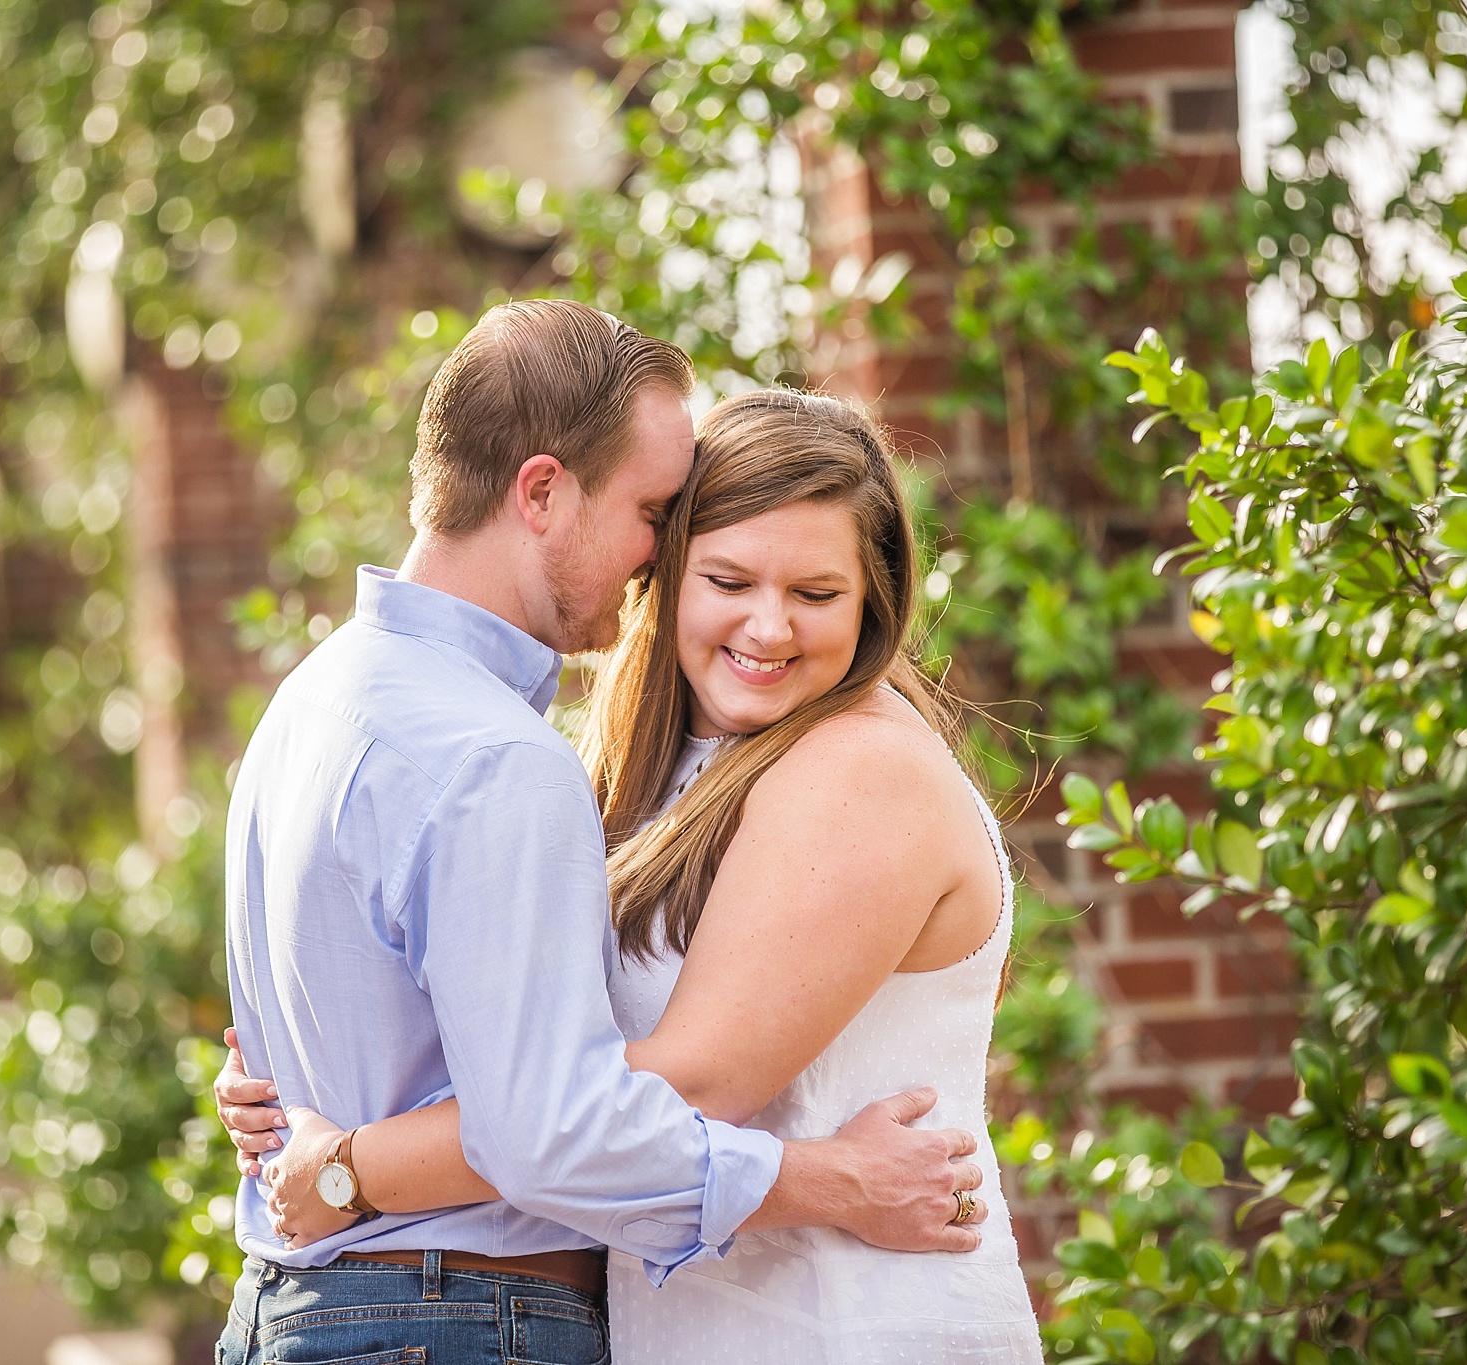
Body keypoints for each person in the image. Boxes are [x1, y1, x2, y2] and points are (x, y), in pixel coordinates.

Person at [213, 302, 989, 1365]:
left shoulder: (317, 697)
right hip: (457, 1314)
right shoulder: (509, 756)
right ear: (541, 492)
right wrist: (831, 1178)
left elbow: (627, 1090)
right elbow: (557, 1115)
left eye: (816, 591)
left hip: (808, 1320)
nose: (650, 556)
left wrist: (343, 1160)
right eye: (660, 521)